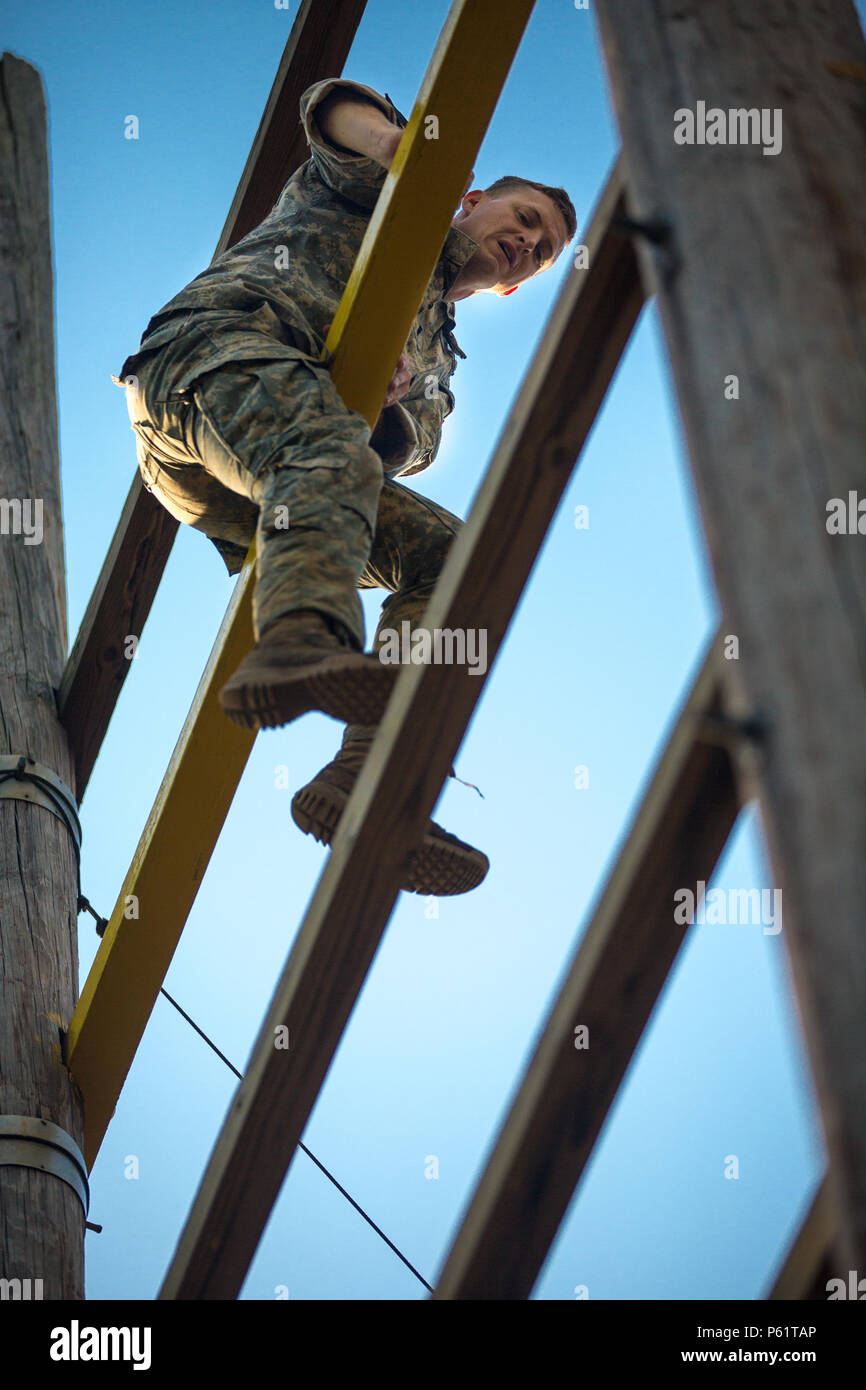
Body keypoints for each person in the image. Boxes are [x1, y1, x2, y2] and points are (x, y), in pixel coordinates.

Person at [113, 78, 576, 896]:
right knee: (330, 448)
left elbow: (394, 451)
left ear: (518, 289)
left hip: (266, 487)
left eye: (540, 255)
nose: (527, 244)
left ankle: (369, 769)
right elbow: (329, 109)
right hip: (212, 365)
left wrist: (389, 388)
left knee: (459, 562)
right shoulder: (392, 199)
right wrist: (404, 150)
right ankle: (298, 640)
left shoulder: (438, 379)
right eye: (524, 220)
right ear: (473, 202)